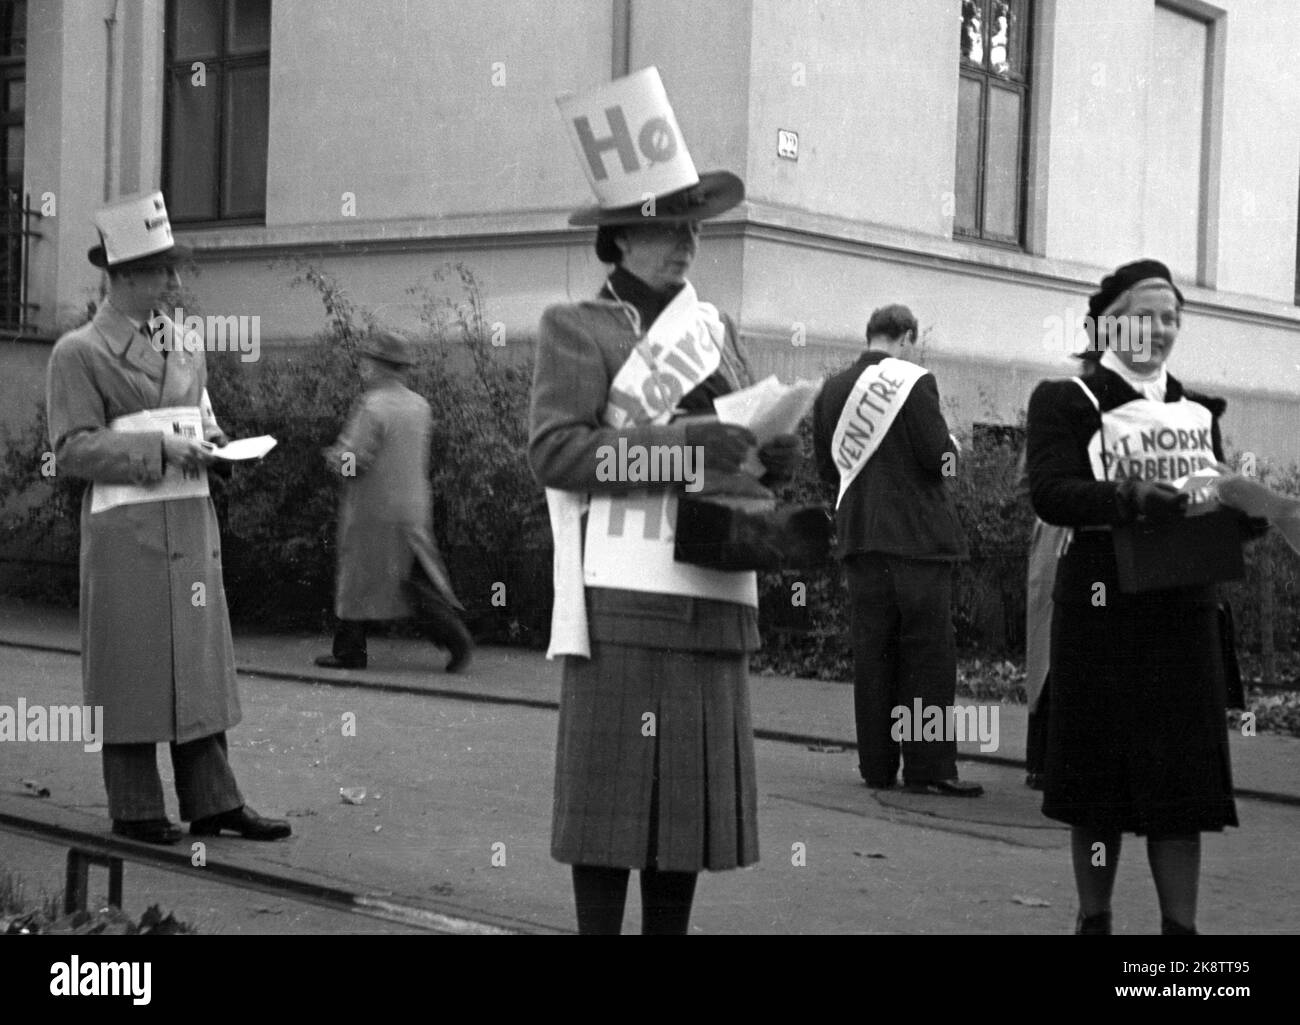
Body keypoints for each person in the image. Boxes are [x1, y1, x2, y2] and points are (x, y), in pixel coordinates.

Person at [530, 68, 800, 934]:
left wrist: (774, 447)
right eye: (664, 225)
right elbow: (558, 451)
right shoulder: (576, 327)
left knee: (684, 812)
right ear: (619, 238)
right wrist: (686, 443)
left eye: (690, 224)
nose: (685, 240)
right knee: (612, 805)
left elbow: (746, 443)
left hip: (716, 589)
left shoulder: (716, 331)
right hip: (625, 591)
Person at [1026, 258, 1265, 934]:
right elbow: (1051, 491)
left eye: (1171, 317)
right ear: (1108, 321)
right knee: (1097, 790)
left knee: (1180, 793)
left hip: (1182, 616)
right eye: (1145, 313)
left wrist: (1243, 514)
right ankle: (1094, 920)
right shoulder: (1066, 400)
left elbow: (1208, 498)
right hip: (1101, 616)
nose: (1159, 328)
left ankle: (1178, 943)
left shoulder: (1195, 410)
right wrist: (1127, 499)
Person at [45, 191, 290, 844]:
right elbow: (71, 450)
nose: (174, 283)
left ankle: (215, 801)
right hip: (127, 538)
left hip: (188, 527)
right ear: (123, 274)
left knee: (198, 668)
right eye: (161, 270)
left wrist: (217, 447)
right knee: (132, 670)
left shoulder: (184, 343)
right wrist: (160, 449)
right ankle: (135, 808)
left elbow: (201, 416)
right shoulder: (78, 352)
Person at [813, 304, 983, 796]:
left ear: (869, 335)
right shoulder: (914, 380)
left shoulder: (833, 389)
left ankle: (878, 767)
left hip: (862, 539)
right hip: (918, 542)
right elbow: (940, 461)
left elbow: (830, 470)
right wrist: (952, 447)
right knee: (927, 656)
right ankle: (929, 768)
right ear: (906, 337)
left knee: (874, 652)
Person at [315, 330, 473, 673]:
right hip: (413, 506)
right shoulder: (420, 406)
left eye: (366, 361)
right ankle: (452, 635)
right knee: (411, 580)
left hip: (372, 509)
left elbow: (354, 461)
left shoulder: (371, 406)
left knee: (356, 577)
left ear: (379, 366)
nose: (362, 367)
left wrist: (333, 457)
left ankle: (349, 652)